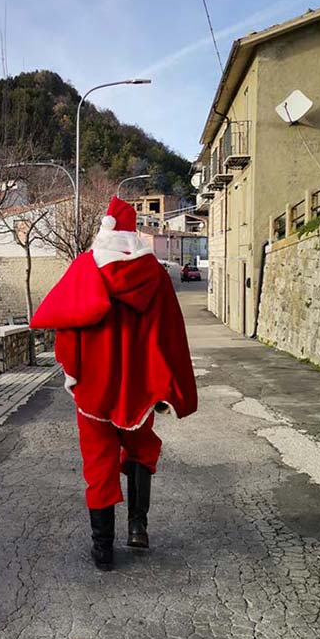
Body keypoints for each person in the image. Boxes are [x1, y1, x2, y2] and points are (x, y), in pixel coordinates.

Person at [31, 196, 198, 571]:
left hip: (94, 387)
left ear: (105, 229)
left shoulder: (86, 267)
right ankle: (138, 526)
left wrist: (72, 373)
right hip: (141, 386)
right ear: (132, 233)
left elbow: (66, 326)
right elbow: (170, 330)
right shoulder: (154, 273)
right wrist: (167, 382)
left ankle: (102, 548)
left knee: (98, 463)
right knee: (141, 448)